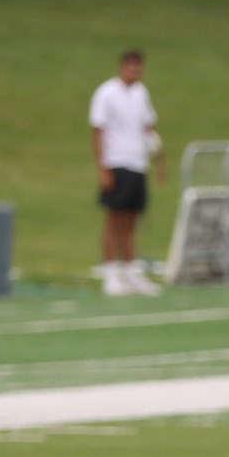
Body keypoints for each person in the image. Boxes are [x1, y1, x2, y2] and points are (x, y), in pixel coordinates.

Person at [89, 50, 165, 297]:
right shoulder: (107, 93)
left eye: (138, 68)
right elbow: (98, 131)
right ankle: (111, 274)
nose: (135, 72)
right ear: (122, 67)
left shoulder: (141, 94)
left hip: (138, 164)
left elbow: (149, 128)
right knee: (114, 220)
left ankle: (132, 273)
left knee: (132, 221)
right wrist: (102, 167)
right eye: (131, 67)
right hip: (117, 162)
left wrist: (159, 161)